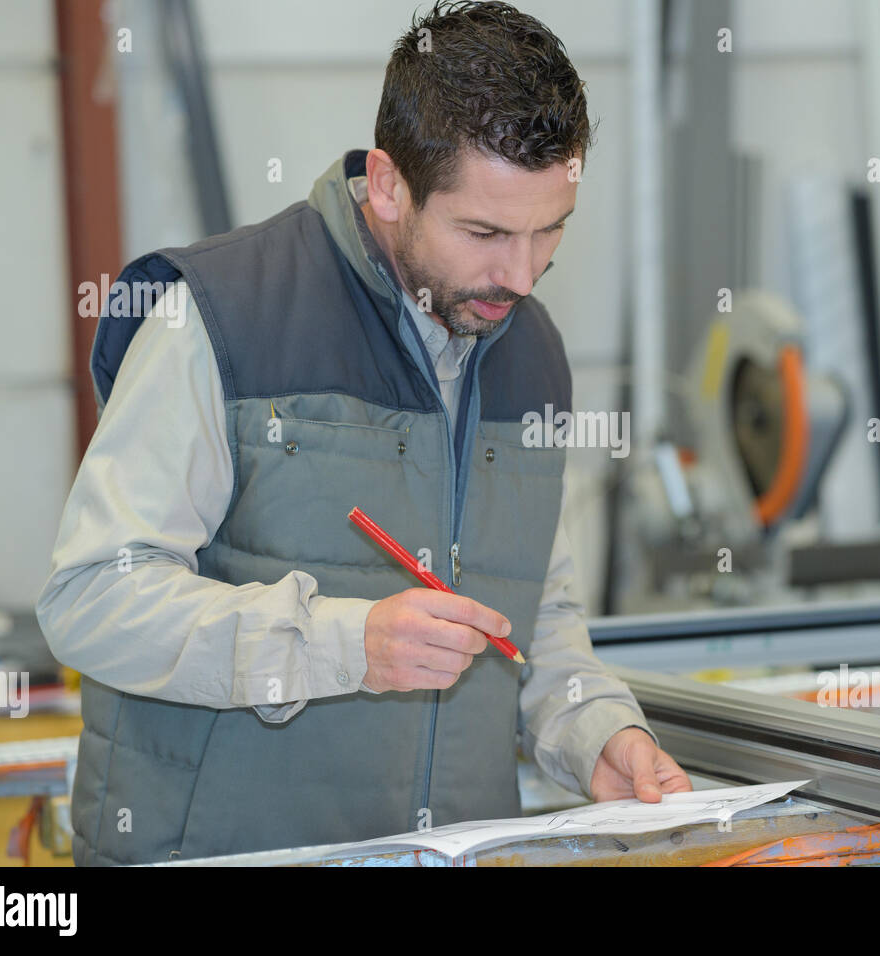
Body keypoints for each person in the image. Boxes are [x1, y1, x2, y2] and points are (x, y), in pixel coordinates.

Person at [37, 0, 690, 866]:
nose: (522, 274)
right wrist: (343, 646)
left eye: (550, 231)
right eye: (486, 232)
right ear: (388, 183)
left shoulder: (531, 352)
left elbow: (538, 616)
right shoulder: (221, 316)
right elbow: (92, 599)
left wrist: (594, 729)